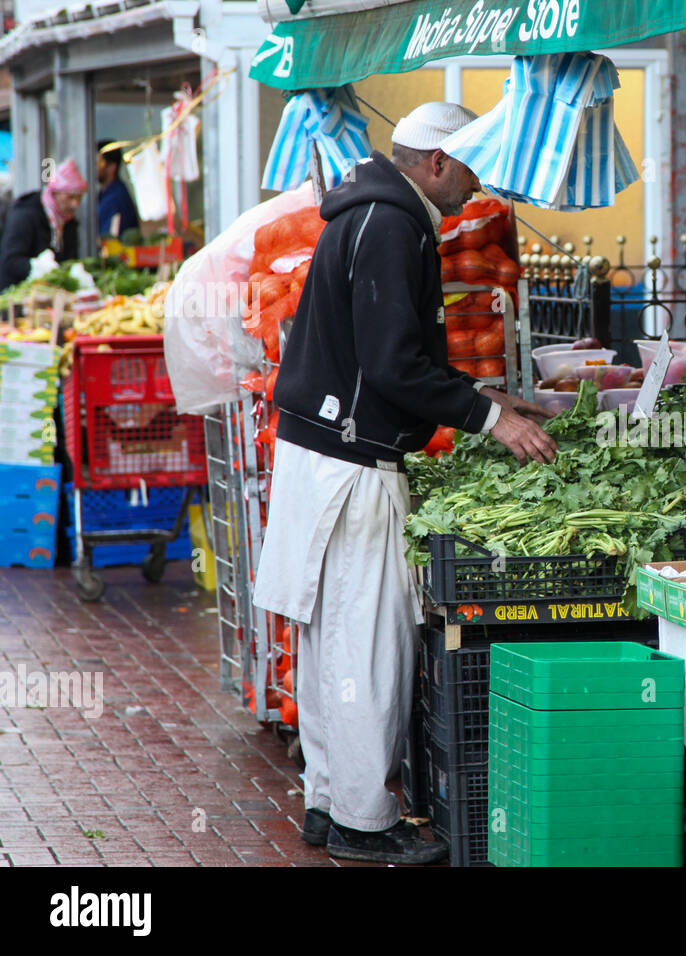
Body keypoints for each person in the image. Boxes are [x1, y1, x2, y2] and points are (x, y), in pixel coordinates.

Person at [253, 102, 557, 865]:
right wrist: (493, 423)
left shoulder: (367, 212)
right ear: (437, 162)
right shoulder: (395, 224)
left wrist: (477, 397)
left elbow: (382, 355)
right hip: (350, 464)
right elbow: (392, 365)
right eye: (470, 171)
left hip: (317, 451)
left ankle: (328, 803)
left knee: (327, 643)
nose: (475, 191)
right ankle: (363, 819)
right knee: (366, 644)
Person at [0, 158, 87, 290]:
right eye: (70, 197)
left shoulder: (68, 222)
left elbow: (70, 260)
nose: (75, 204)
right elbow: (10, 261)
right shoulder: (25, 215)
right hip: (17, 293)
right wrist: (41, 268)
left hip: (51, 294)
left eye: (79, 198)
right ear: (55, 193)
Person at [97, 141, 140, 237]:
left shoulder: (116, 198)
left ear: (112, 167)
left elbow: (110, 239)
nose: (93, 168)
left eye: (98, 163)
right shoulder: (103, 194)